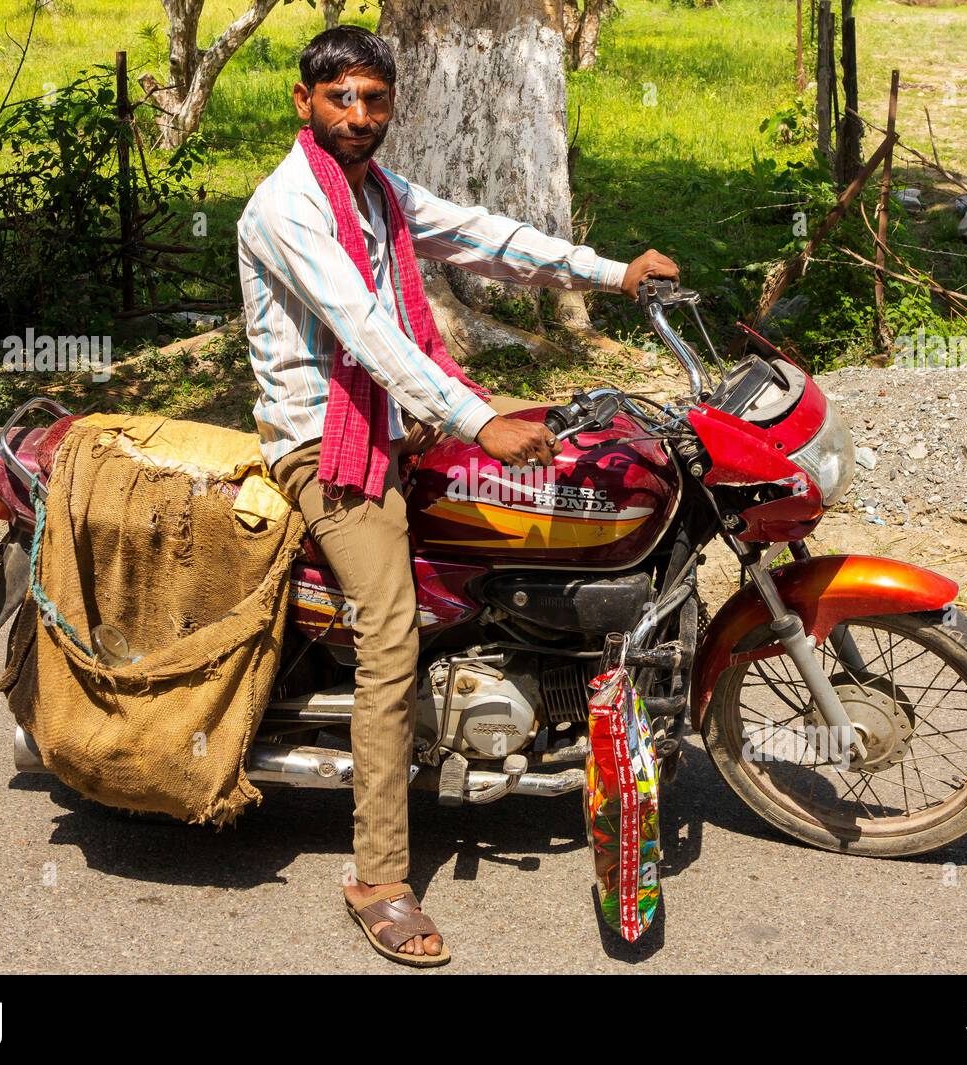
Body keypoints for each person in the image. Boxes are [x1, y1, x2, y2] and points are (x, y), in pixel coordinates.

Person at [236, 23, 679, 966]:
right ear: (304, 102)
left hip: (398, 420)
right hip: (328, 446)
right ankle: (378, 876)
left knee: (558, 479)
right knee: (390, 631)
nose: (358, 117)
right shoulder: (288, 208)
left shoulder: (379, 194)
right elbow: (365, 331)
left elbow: (485, 237)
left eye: (374, 101)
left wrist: (612, 272)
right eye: (339, 100)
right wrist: (475, 418)